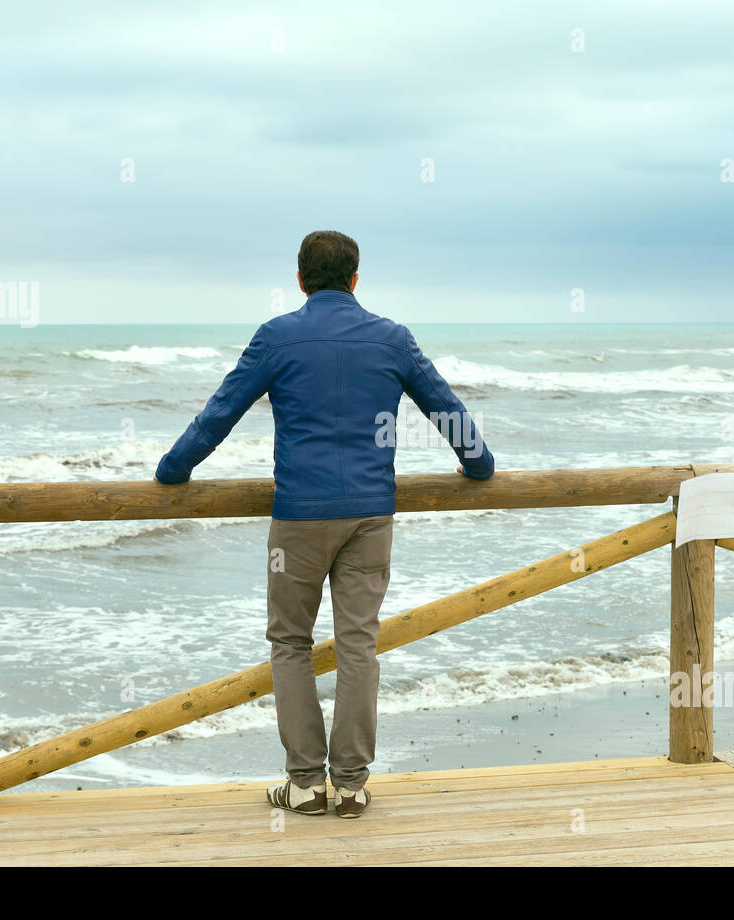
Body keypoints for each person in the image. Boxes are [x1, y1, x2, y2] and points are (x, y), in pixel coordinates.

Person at [154, 230, 494, 818]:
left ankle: (306, 783)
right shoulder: (391, 338)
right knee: (359, 643)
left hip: (298, 521)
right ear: (356, 279)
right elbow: (447, 410)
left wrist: (173, 469)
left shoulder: (277, 337)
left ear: (300, 279)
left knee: (290, 642)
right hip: (369, 516)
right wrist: (478, 465)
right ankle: (354, 784)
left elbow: (219, 414)